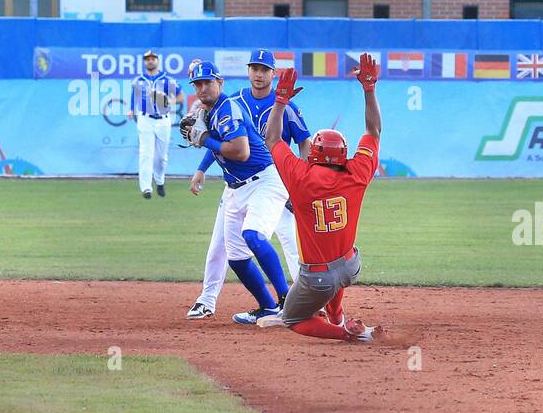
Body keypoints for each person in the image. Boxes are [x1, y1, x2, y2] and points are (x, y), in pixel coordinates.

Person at [261, 54, 383, 342]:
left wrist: (280, 102)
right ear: (343, 153)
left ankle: (348, 334)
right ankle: (337, 314)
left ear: (314, 154)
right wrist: (369, 88)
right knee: (338, 265)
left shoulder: (300, 177)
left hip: (317, 277)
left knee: (293, 318)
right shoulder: (357, 173)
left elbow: (272, 139)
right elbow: (373, 130)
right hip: (351, 266)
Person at [185, 50, 308, 321]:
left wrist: (205, 138)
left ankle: (288, 299)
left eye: (208, 82)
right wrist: (202, 166)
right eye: (198, 84)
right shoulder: (211, 110)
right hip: (236, 188)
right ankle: (268, 307)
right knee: (237, 257)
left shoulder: (228, 107)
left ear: (220, 82)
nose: (203, 88)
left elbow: (240, 152)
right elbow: (215, 141)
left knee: (256, 236)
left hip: (266, 180)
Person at [128, 49, 183, 199]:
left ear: (157, 61)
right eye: (147, 59)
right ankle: (146, 188)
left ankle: (159, 181)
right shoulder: (139, 80)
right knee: (146, 153)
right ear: (145, 62)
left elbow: (181, 96)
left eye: (152, 58)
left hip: (163, 119)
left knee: (161, 156)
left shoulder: (167, 80)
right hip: (145, 119)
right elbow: (134, 97)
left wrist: (170, 101)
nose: (150, 61)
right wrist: (131, 109)